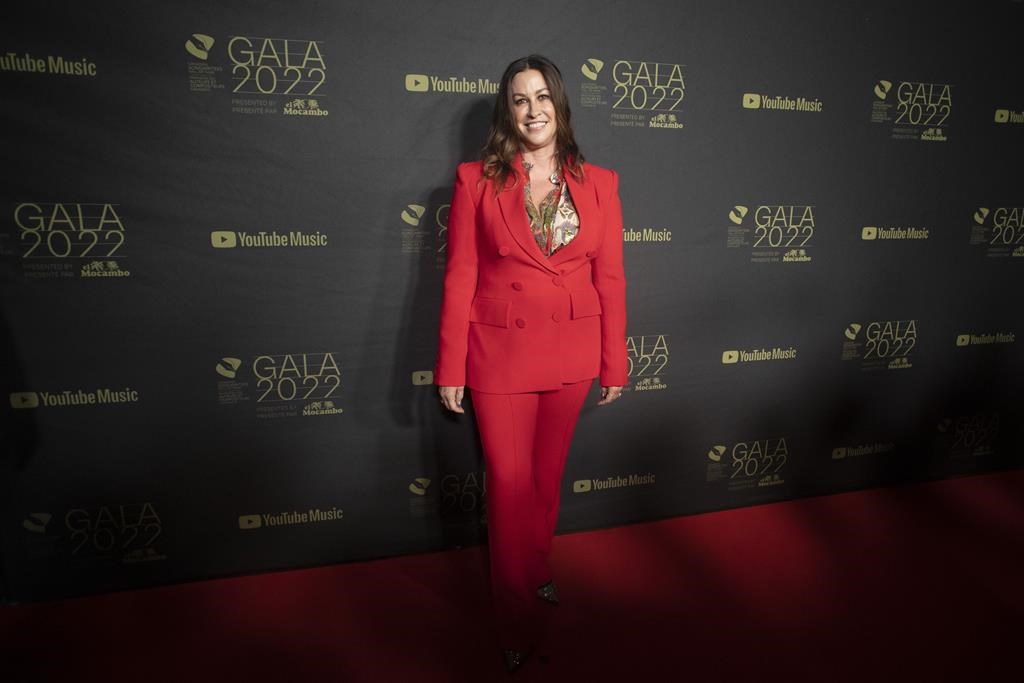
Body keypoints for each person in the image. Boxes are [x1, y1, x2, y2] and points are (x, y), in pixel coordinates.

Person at [435, 54, 627, 673]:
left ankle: (539, 570)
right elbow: (461, 274)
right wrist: (450, 366)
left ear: (560, 104)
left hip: (572, 350)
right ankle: (515, 620)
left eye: (542, 96)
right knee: (511, 489)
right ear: (507, 111)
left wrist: (615, 362)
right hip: (500, 355)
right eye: (520, 99)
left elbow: (612, 278)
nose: (533, 109)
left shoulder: (600, 182)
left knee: (546, 483)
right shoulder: (475, 180)